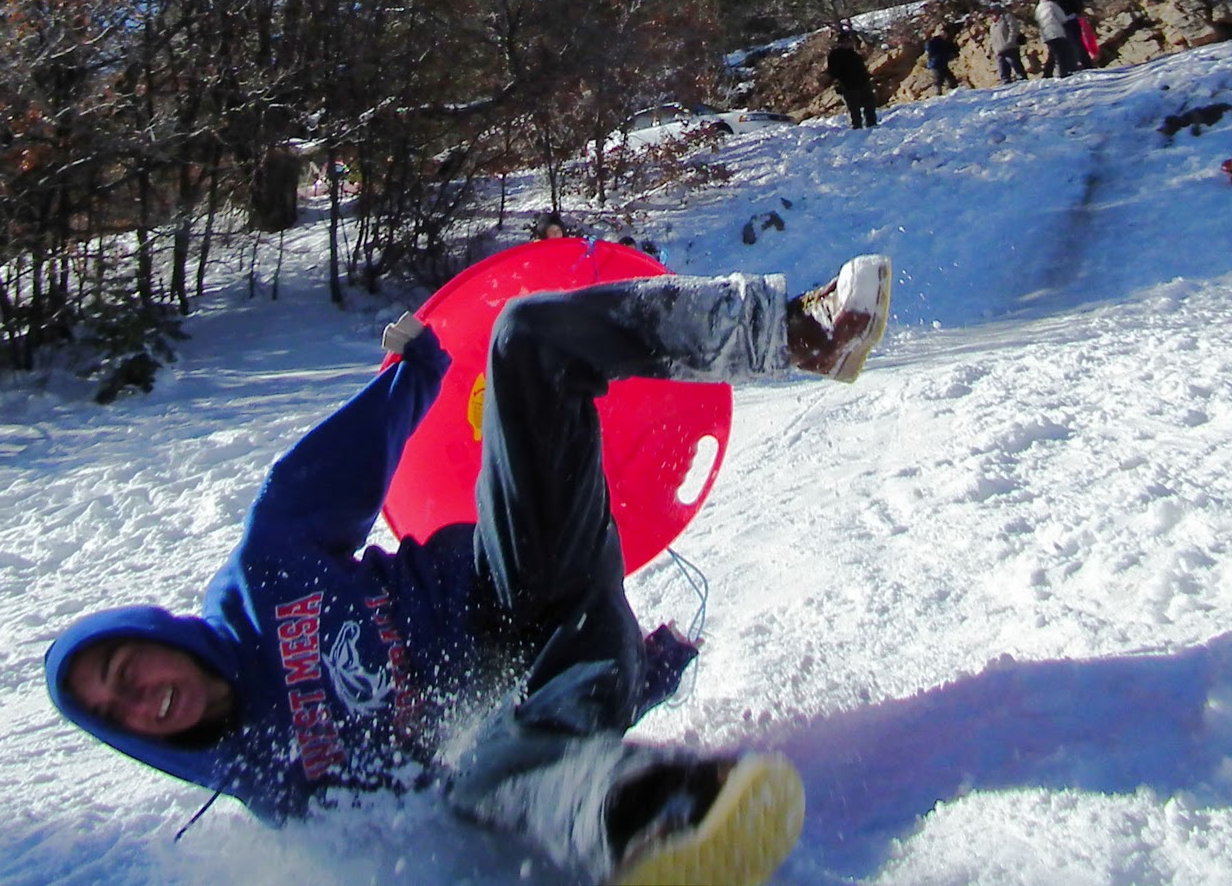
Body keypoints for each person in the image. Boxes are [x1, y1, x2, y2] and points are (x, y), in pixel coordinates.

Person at [45, 255, 896, 884]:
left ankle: (799, 333)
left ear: (154, 635)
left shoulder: (267, 576)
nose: (136, 699)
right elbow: (424, 827)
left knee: (527, 338)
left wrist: (419, 369)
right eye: (115, 713)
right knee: (490, 770)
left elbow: (341, 464)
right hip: (542, 700)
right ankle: (663, 813)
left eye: (124, 670)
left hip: (513, 583)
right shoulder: (276, 789)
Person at [1040, 0, 1092, 69]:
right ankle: (1071, 66)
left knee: (1077, 42)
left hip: (1071, 16)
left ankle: (1087, 64)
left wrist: (1079, 10)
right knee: (1064, 45)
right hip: (1057, 21)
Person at [825, 31, 878, 128]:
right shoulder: (835, 55)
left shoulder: (854, 54)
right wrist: (839, 84)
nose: (846, 43)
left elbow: (862, 69)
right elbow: (833, 72)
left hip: (863, 83)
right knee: (854, 110)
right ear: (839, 43)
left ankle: (872, 125)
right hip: (848, 86)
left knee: (870, 105)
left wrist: (867, 79)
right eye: (843, 42)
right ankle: (856, 130)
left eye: (848, 41)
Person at [1036, 0, 1079, 79]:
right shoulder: (1052, 5)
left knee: (1052, 53)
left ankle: (1047, 73)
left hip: (1046, 34)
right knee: (1060, 53)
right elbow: (1063, 18)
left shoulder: (1038, 8)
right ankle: (1062, 71)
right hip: (1056, 32)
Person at [988, 10, 1028, 83]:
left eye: (993, 13)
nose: (992, 15)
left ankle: (1022, 79)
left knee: (1015, 64)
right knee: (1003, 69)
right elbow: (991, 39)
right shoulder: (993, 25)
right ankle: (1006, 82)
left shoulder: (1006, 18)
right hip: (999, 51)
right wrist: (989, 51)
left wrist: (1010, 41)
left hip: (1010, 48)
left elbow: (1014, 29)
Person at [923, 26, 961, 95]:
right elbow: (929, 48)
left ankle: (954, 92)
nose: (945, 35)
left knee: (950, 78)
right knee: (938, 79)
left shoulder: (946, 42)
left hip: (942, 63)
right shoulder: (934, 41)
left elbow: (952, 50)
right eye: (943, 33)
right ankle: (938, 93)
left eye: (946, 34)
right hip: (935, 63)